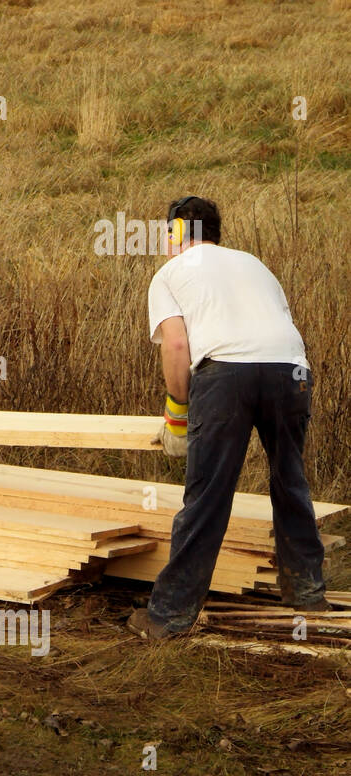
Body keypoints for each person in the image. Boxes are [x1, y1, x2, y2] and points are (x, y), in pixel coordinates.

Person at [128, 195, 329, 640]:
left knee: (208, 495)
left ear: (176, 233)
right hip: (291, 371)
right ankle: (307, 591)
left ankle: (168, 617)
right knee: (290, 479)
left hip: (226, 375)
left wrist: (178, 414)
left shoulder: (170, 274)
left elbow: (177, 349)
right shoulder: (255, 265)